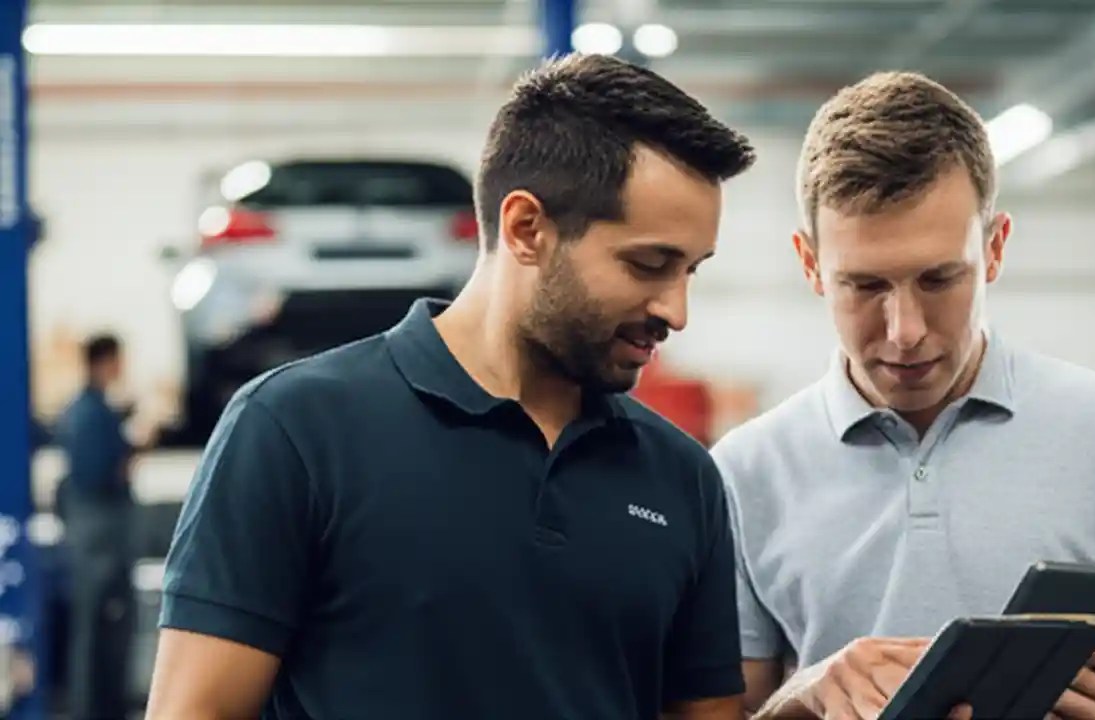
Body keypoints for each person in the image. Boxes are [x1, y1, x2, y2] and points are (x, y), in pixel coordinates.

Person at [146, 53, 756, 720]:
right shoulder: (295, 430)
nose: (676, 310)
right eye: (649, 264)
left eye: (691, 270)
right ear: (527, 229)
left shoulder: (682, 479)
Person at [711, 72, 1095, 720]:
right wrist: (806, 697)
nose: (905, 331)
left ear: (995, 246)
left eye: (939, 278)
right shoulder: (743, 471)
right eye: (865, 286)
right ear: (811, 264)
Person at [54, 334, 138, 720]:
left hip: (93, 535)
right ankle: (90, 709)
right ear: (105, 361)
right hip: (99, 537)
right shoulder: (92, 415)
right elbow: (96, 474)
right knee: (93, 630)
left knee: (99, 628)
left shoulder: (88, 411)